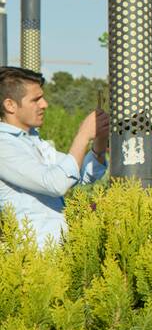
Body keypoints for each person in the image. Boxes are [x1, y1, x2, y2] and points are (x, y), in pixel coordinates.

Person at [0, 66, 108, 248]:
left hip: (55, 257)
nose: (44, 104)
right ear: (10, 105)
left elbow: (81, 174)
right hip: (33, 261)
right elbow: (56, 183)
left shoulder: (33, 140)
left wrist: (99, 139)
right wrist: (82, 136)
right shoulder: (4, 146)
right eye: (36, 99)